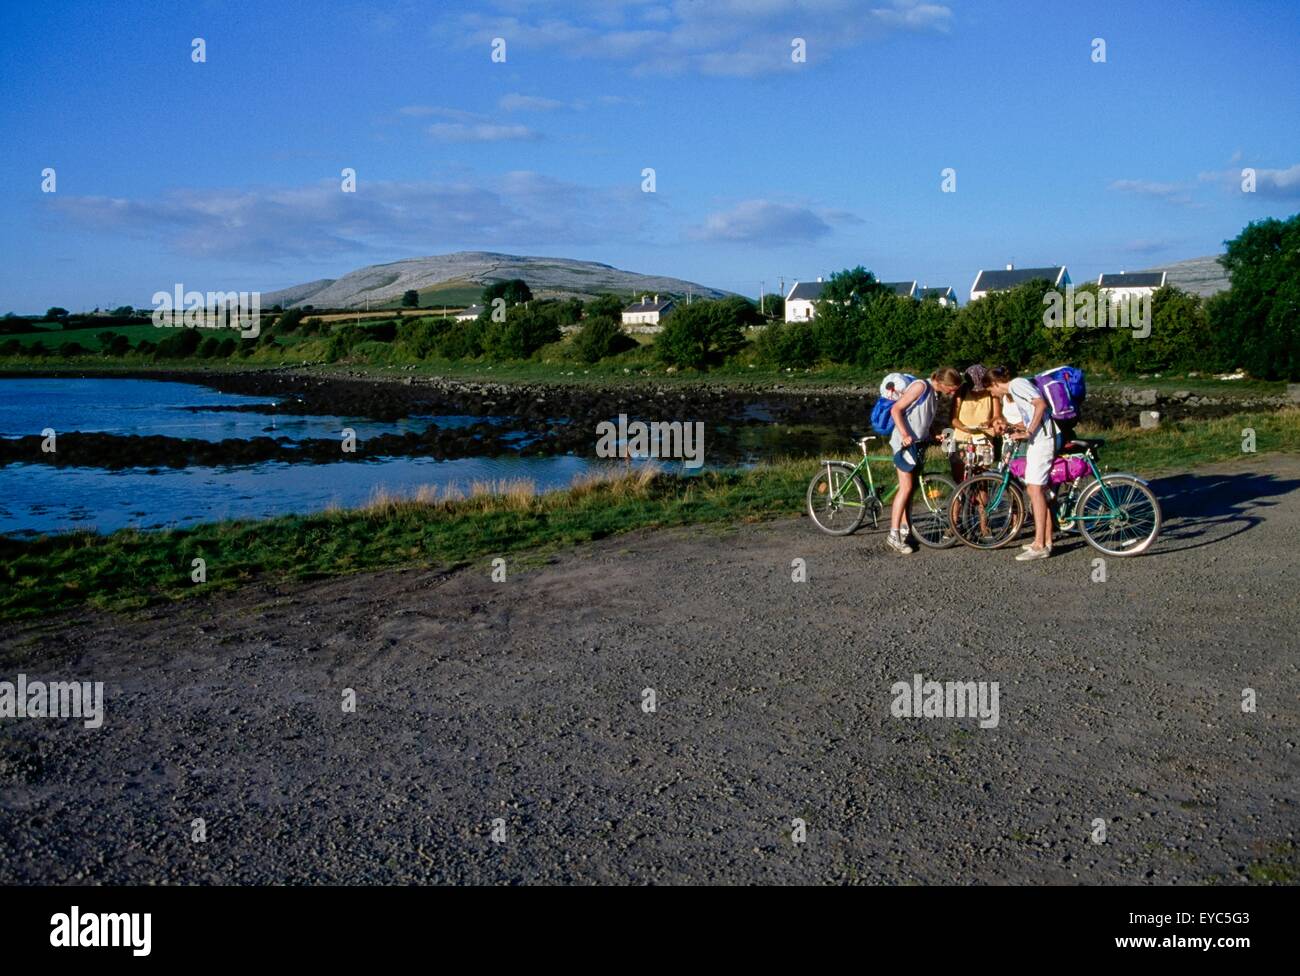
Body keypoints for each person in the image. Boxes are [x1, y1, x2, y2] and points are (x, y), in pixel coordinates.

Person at [885, 367, 963, 554]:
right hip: (904, 444)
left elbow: (922, 420)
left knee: (911, 489)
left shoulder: (934, 394)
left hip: (917, 444)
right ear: (942, 383)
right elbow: (896, 410)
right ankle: (893, 535)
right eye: (951, 389)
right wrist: (904, 434)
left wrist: (934, 434)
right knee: (906, 487)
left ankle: (905, 529)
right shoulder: (921, 386)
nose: (952, 393)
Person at [987, 365, 1056, 561]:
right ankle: (1045, 540)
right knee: (1036, 490)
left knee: (1035, 490)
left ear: (994, 383)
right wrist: (1017, 429)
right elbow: (1031, 413)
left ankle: (1040, 545)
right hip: (1038, 440)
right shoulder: (1016, 388)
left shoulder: (1017, 384)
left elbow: (1040, 404)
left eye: (990, 389)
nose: (992, 394)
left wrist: (1029, 432)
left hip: (1042, 440)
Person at [948, 364, 1002, 482]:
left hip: (984, 440)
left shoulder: (991, 393)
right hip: (961, 439)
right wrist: (965, 428)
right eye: (975, 390)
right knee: (959, 479)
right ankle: (961, 494)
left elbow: (997, 416)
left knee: (982, 479)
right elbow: (953, 419)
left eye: (981, 390)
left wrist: (988, 423)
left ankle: (981, 495)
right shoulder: (961, 392)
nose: (978, 393)